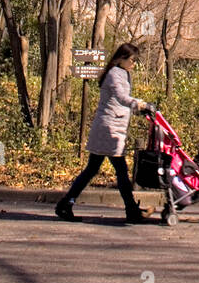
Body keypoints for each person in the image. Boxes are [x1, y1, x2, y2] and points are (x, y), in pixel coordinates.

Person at [56, 43, 153, 224]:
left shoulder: (122, 73)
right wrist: (140, 104)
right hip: (108, 130)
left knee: (93, 169)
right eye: (132, 60)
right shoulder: (114, 74)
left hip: (111, 128)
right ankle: (131, 210)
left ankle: (66, 203)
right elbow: (121, 97)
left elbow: (121, 101)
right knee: (121, 171)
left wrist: (139, 108)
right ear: (121, 58)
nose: (134, 64)